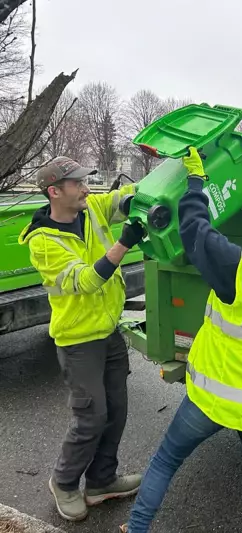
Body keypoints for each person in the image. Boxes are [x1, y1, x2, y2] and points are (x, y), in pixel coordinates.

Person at [121, 148, 242, 533]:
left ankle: (135, 530)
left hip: (210, 399)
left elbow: (194, 228)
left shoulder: (234, 269)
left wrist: (195, 182)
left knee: (164, 463)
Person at [17, 157, 146, 522]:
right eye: (77, 184)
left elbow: (126, 197)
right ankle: (65, 482)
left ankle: (102, 481)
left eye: (86, 181)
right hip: (78, 342)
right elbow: (86, 281)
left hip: (108, 332)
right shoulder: (43, 243)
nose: (86, 188)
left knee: (116, 411)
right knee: (91, 417)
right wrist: (123, 244)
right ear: (55, 191)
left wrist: (160, 185)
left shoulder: (92, 209)